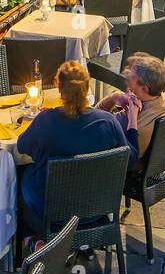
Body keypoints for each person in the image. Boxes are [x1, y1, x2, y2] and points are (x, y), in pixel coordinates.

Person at [16, 60, 137, 230]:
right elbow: (131, 158)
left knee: (21, 172)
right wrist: (133, 119)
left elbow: (22, 147)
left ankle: (30, 234)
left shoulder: (46, 120)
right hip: (97, 206)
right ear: (87, 88)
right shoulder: (107, 121)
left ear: (58, 87)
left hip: (52, 210)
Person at [96, 53, 165, 159]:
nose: (127, 78)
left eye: (132, 77)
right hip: (161, 162)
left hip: (124, 168)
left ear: (145, 88)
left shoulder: (130, 120)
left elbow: (95, 120)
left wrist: (114, 97)